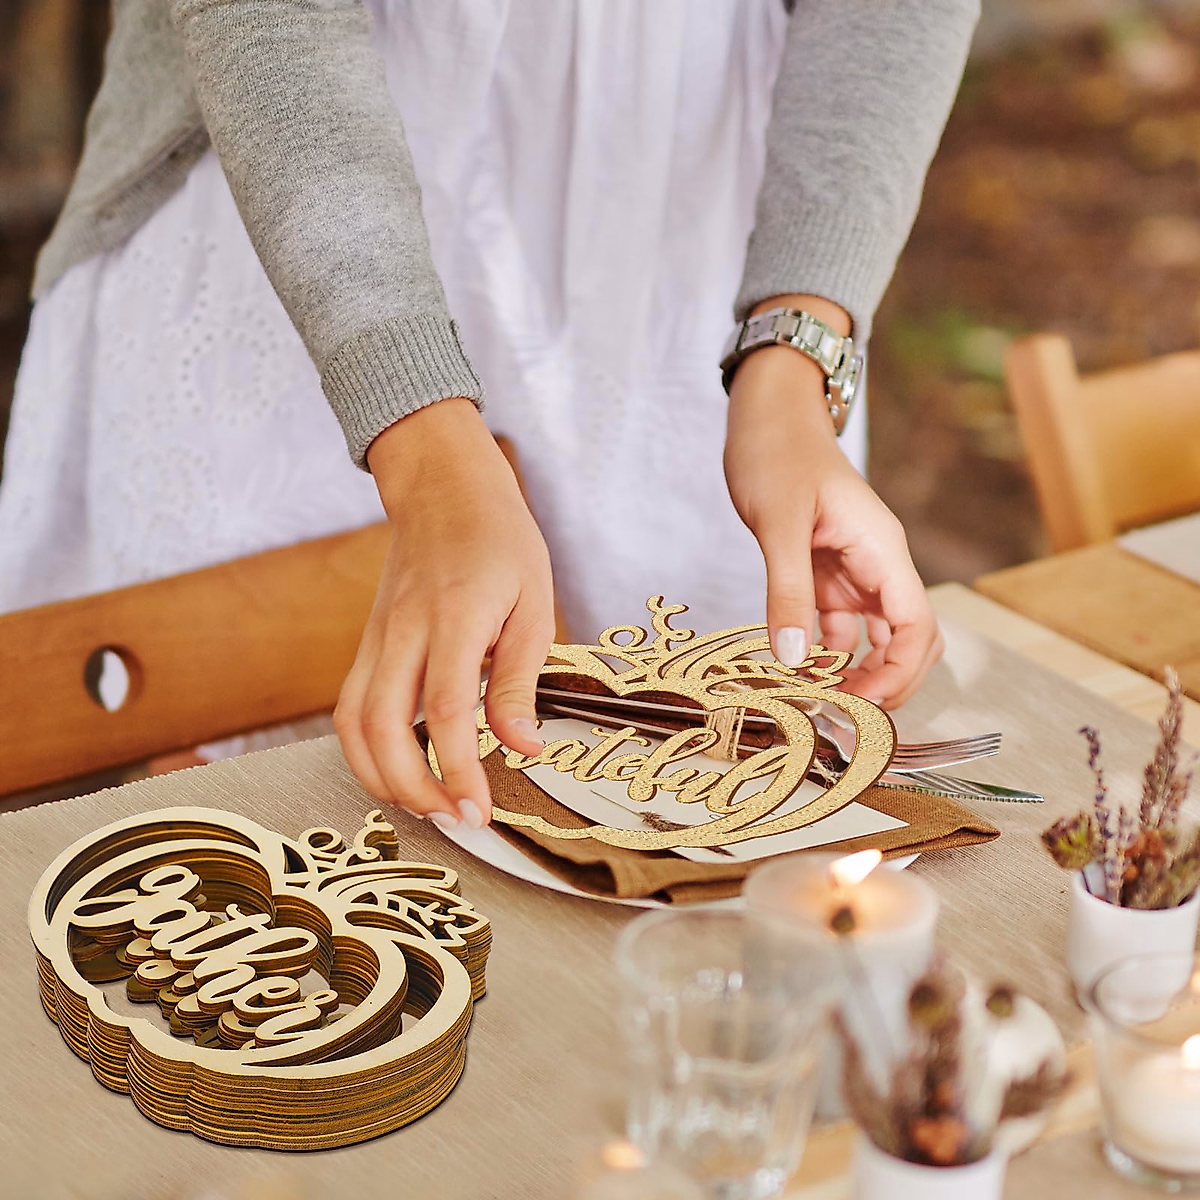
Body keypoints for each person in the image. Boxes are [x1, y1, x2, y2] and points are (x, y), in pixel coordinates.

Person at [0, 0, 978, 829]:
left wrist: (793, 357)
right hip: (299, 203)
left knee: (691, 836)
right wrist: (419, 446)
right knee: (265, 847)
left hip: (687, 240)